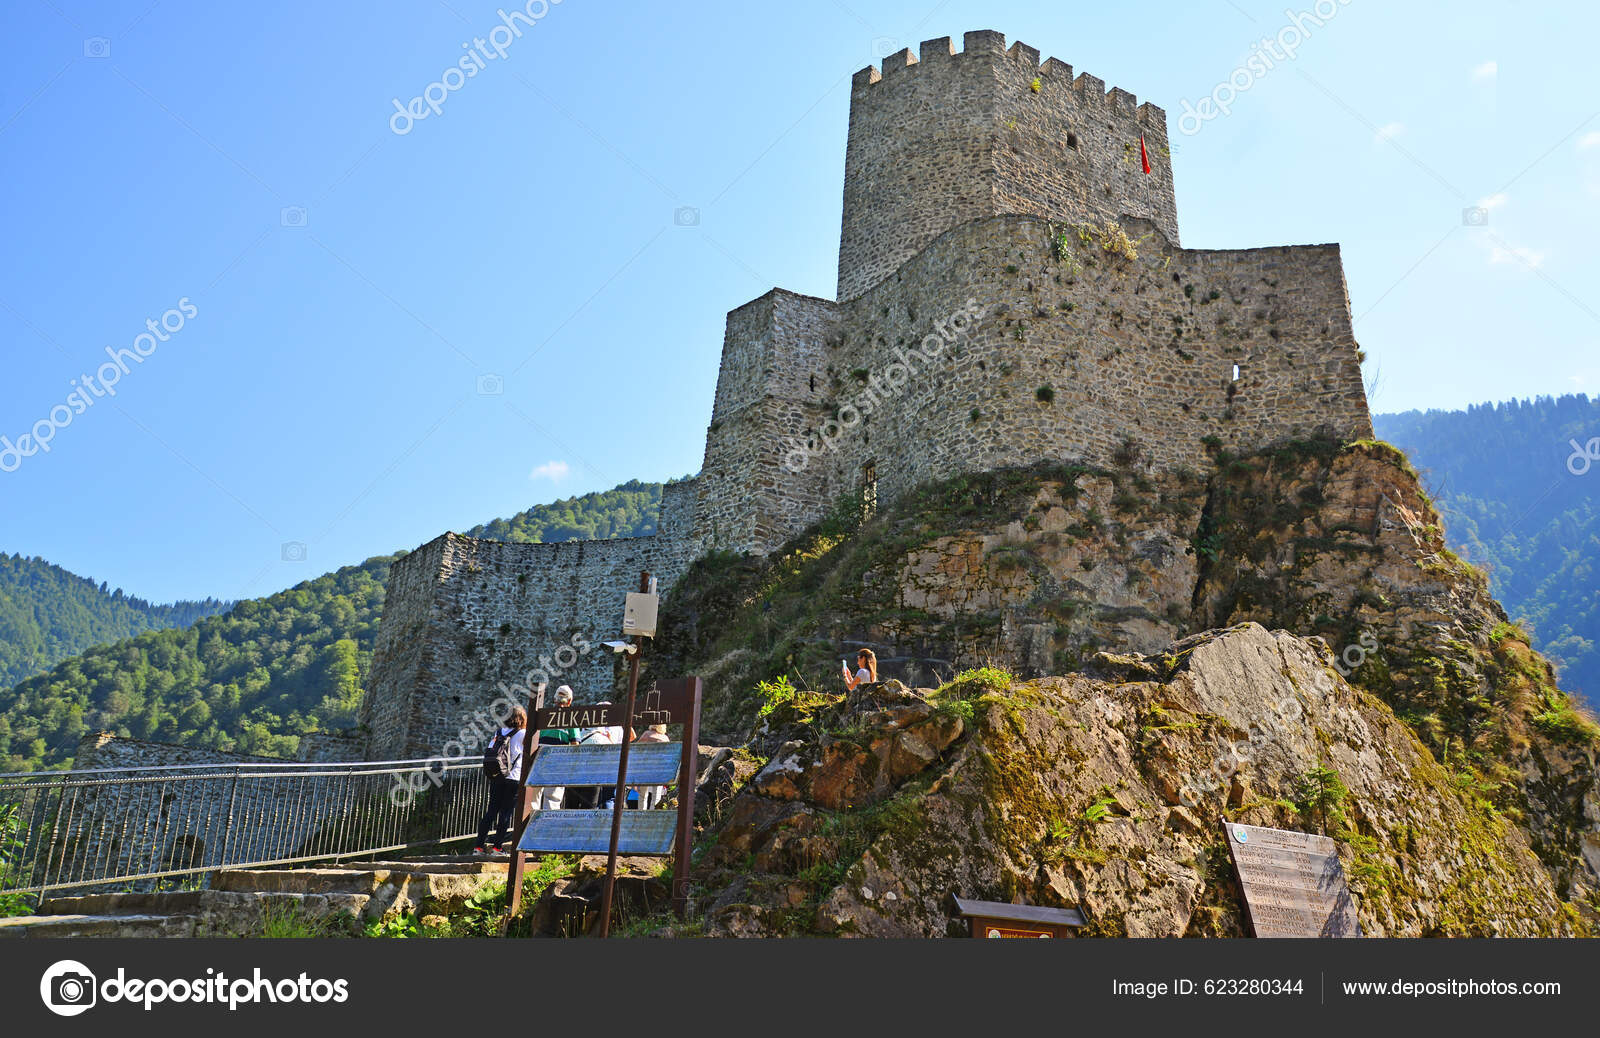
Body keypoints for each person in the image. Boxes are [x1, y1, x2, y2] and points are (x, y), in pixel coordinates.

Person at [474, 704, 527, 855]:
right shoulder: (523, 733)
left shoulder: (499, 732)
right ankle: (497, 847)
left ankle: (478, 847)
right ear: (522, 718)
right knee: (506, 813)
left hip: (497, 776)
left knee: (491, 811)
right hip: (513, 777)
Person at [529, 685, 578, 812]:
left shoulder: (543, 715)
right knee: (552, 799)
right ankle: (547, 829)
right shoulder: (571, 717)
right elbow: (575, 744)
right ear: (570, 701)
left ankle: (530, 827)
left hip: (538, 758)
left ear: (555, 699)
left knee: (533, 797)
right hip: (558, 761)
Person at [635, 723, 671, 810]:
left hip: (645, 767)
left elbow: (637, 748)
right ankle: (652, 812)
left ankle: (641, 814)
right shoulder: (665, 738)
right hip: (659, 769)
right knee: (656, 794)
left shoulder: (646, 734)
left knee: (643, 794)